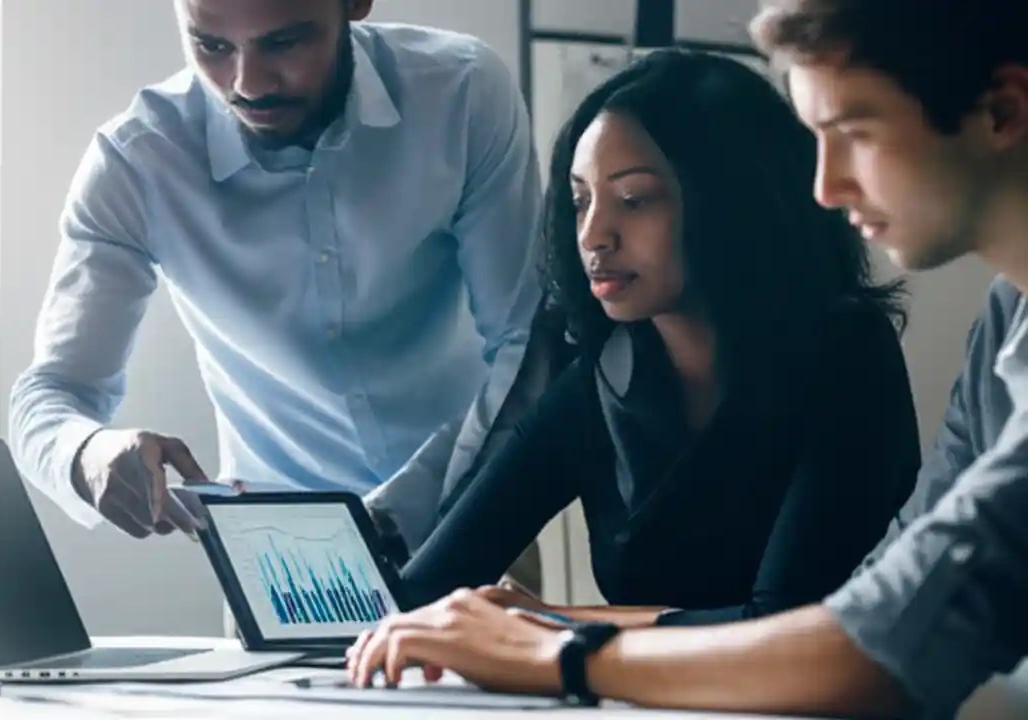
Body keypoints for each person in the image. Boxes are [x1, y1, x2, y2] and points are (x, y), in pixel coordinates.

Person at [346, 1, 1028, 716]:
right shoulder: (1003, 320)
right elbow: (885, 600)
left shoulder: (844, 351)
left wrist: (557, 643)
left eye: (855, 133)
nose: (826, 188)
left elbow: (869, 642)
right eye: (579, 202)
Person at [399, 49, 920, 629]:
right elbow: (432, 582)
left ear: (731, 202)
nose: (593, 235)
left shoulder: (847, 354)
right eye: (580, 201)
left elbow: (786, 622)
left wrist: (554, 622)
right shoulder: (605, 374)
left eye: (634, 200)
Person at [8, 0, 540, 541]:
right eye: (212, 46)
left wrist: (393, 514)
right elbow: (48, 396)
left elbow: (528, 344)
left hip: (471, 516)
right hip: (276, 549)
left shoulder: (461, 92)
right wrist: (88, 452)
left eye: (284, 42)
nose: (249, 84)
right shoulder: (137, 161)